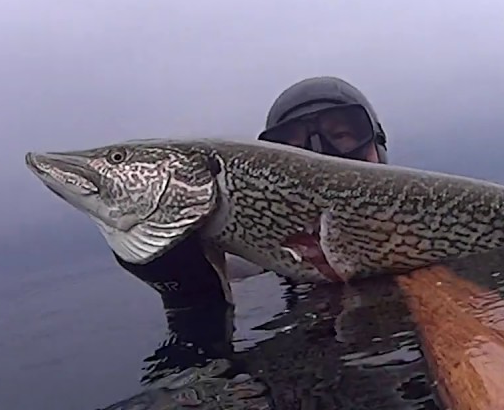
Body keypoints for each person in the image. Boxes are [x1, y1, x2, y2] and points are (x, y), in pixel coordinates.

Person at [115, 76, 389, 310]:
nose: (318, 153)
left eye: (341, 136)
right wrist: (189, 297)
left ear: (377, 142)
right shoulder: (251, 275)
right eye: (294, 152)